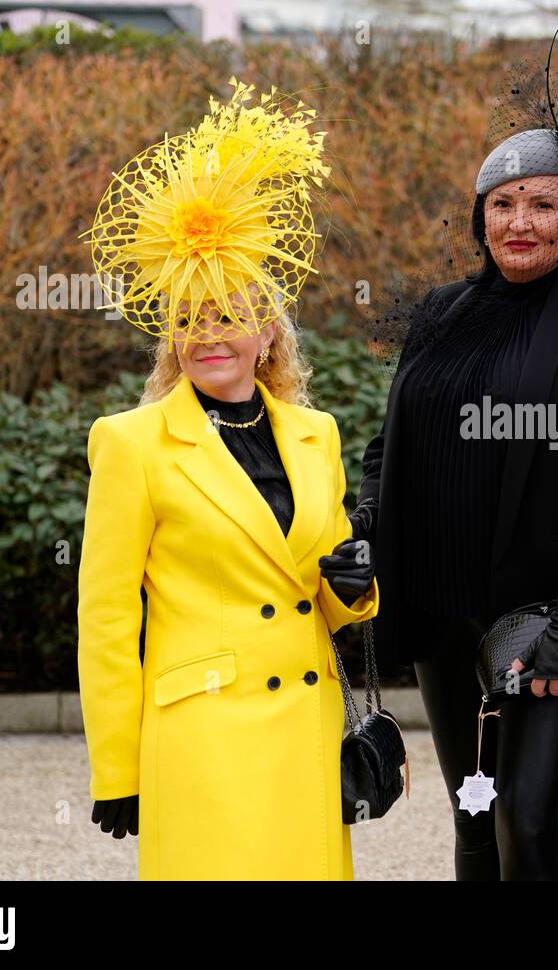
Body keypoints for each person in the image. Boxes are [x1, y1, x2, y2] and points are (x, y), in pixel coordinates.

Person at [351, 60, 558, 879]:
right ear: (480, 218)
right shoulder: (440, 314)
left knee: (528, 814)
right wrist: (363, 530)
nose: (522, 220)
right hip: (442, 617)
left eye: (543, 203)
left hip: (544, 618)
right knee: (476, 814)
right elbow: (390, 446)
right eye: (503, 204)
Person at [76, 80, 378, 880]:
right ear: (169, 335)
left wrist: (355, 582)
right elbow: (106, 619)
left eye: (227, 314)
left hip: (303, 733)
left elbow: (331, 587)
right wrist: (117, 769)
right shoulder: (131, 443)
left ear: (267, 328)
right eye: (188, 317)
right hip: (200, 743)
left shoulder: (317, 435)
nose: (207, 334)